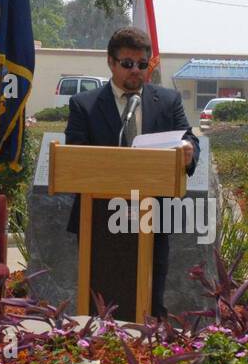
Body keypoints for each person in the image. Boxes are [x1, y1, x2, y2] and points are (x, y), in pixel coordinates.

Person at [63, 26, 199, 320]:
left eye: (142, 64)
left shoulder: (167, 101)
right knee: (100, 304)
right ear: (110, 62)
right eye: (127, 64)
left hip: (153, 216)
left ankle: (148, 359)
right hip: (99, 219)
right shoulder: (83, 105)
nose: (135, 71)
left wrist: (189, 150)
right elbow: (77, 157)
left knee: (150, 301)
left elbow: (189, 140)